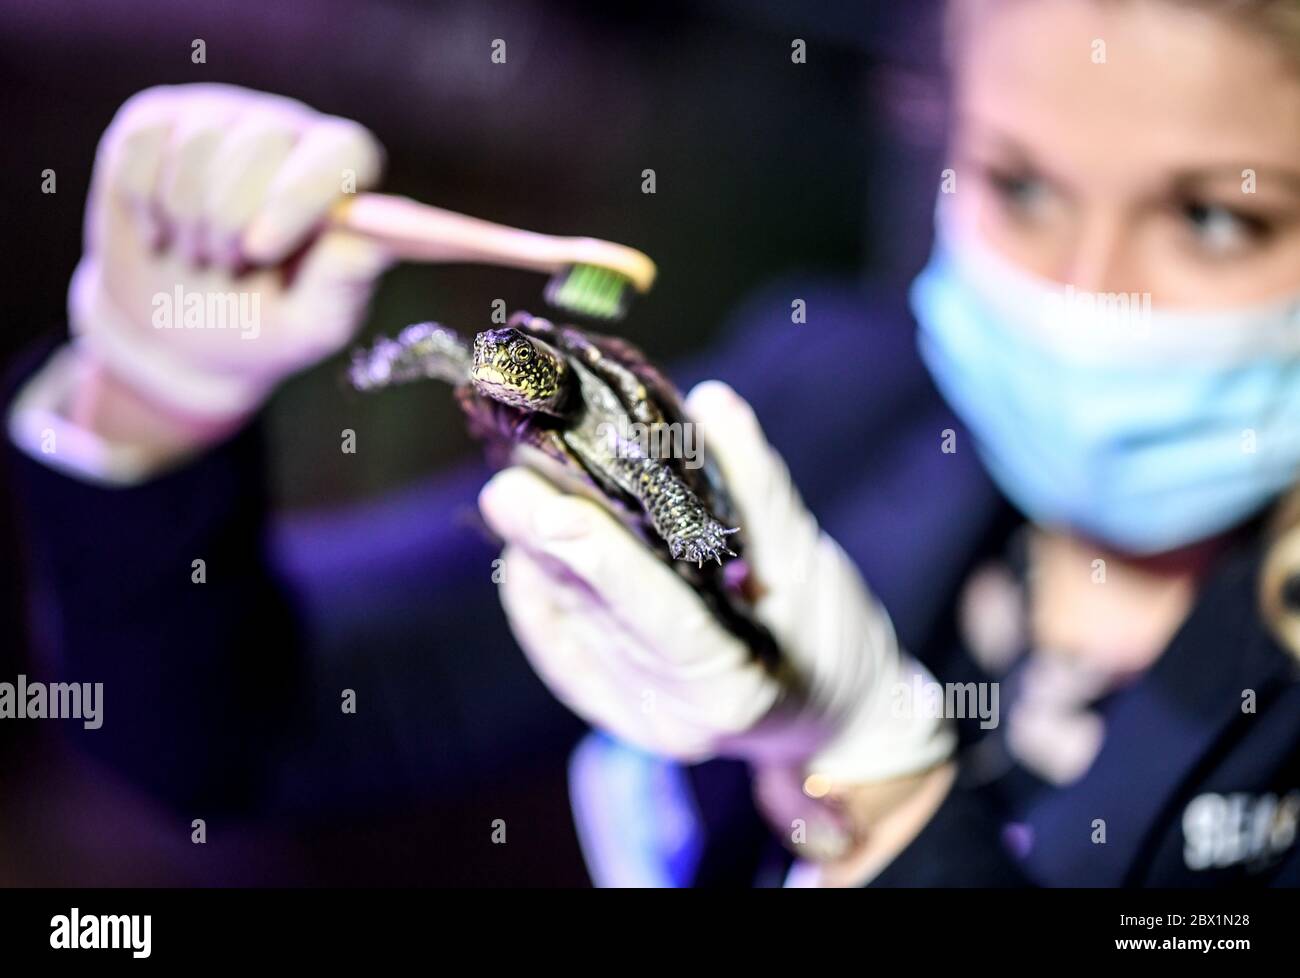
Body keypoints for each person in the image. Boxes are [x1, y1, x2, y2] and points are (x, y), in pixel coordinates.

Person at [7, 0, 1300, 887]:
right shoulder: (841, 407)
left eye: (1216, 220)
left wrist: (872, 778)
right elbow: (234, 729)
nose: (1087, 291)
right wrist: (155, 395)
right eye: (1019, 186)